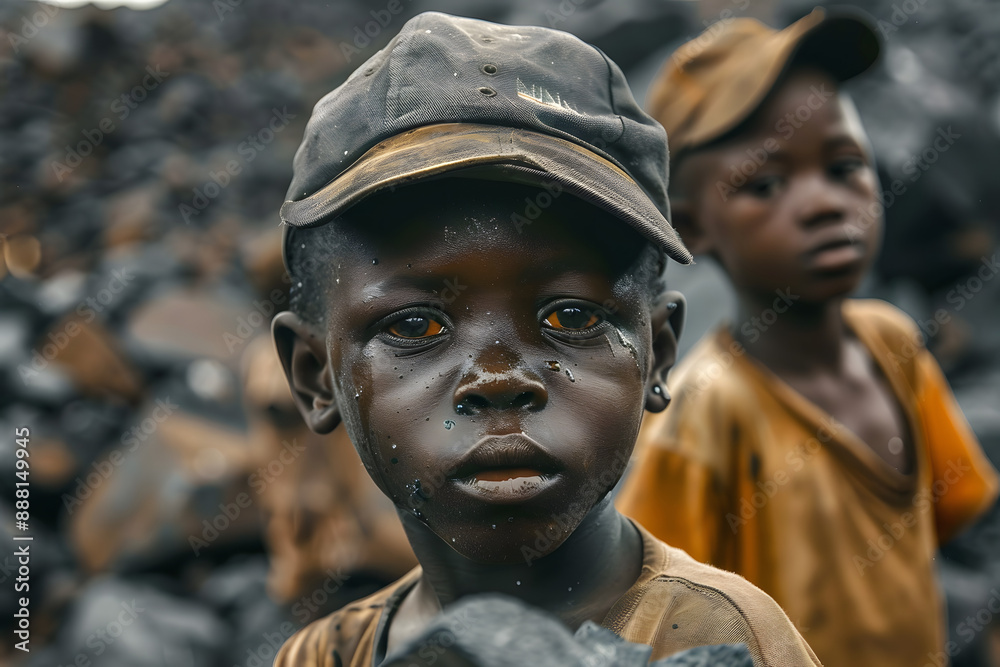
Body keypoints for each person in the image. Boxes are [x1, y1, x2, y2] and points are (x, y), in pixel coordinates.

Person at [270, 11, 819, 667]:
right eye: (415, 325)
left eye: (573, 317)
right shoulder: (325, 655)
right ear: (315, 374)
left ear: (658, 354)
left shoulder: (720, 639)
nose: (500, 377)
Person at [616, 9, 1000, 667]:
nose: (825, 202)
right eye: (765, 184)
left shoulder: (893, 345)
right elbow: (659, 623)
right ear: (690, 227)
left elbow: (956, 520)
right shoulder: (702, 418)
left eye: (845, 164)